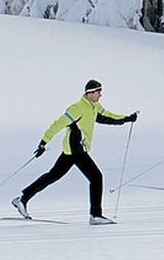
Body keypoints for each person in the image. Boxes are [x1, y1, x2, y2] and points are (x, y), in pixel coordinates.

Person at [12, 79, 137, 225]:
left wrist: (127, 118)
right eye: (98, 92)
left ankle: (22, 198)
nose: (100, 95)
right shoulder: (77, 108)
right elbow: (57, 124)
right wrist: (43, 142)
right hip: (76, 150)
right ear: (89, 93)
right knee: (96, 177)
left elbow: (108, 117)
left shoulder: (94, 107)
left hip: (73, 151)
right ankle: (95, 215)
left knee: (53, 176)